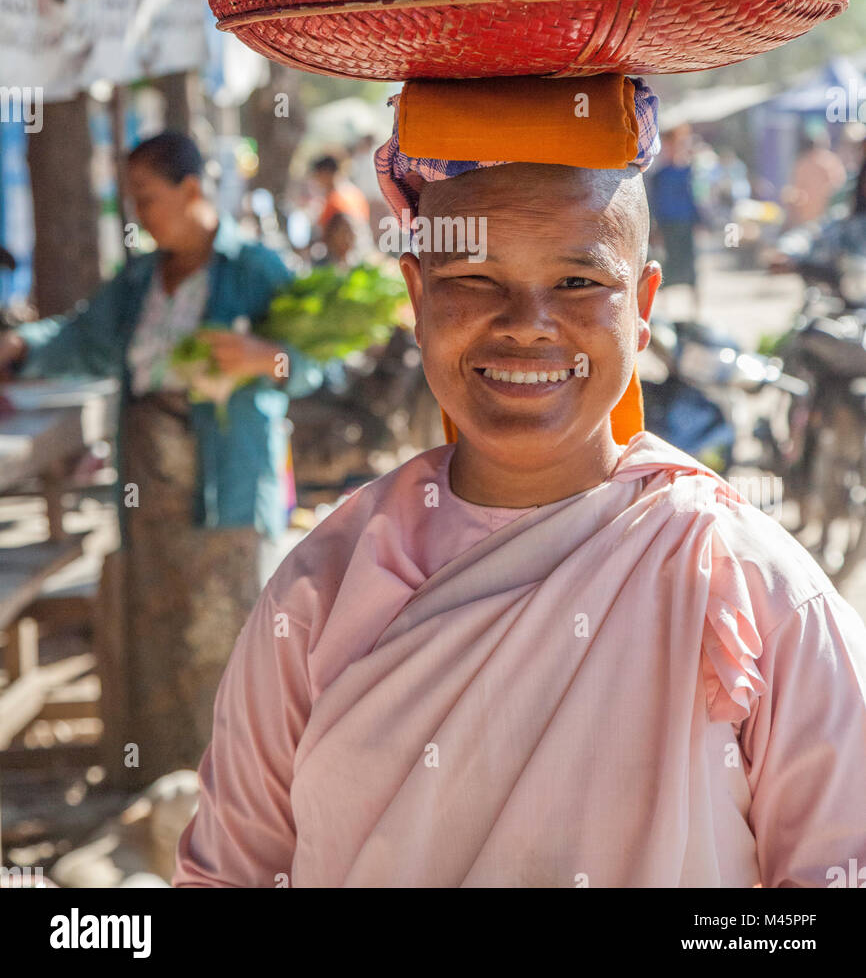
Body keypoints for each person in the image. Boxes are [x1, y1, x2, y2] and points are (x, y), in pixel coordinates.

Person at [173, 77, 866, 889]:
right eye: (473, 279)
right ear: (417, 296)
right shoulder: (318, 595)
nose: (528, 322)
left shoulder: (758, 594)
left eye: (578, 283)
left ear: (642, 306)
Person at [0, 130, 322, 787]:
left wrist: (268, 358)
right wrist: (20, 350)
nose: (139, 215)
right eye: (132, 200)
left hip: (227, 482)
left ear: (193, 190)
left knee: (232, 637)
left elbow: (318, 366)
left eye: (147, 198)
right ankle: (162, 784)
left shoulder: (255, 269)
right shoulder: (141, 278)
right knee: (158, 637)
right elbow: (82, 339)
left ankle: (245, 789)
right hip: (149, 484)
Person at [646, 125, 702, 316]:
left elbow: (694, 198)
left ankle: (695, 311)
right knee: (666, 265)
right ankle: (664, 310)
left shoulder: (689, 172)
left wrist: (698, 221)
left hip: (685, 223)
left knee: (690, 265)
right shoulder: (658, 175)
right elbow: (653, 202)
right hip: (667, 224)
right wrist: (654, 228)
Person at [783, 127, 846, 228]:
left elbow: (837, 185)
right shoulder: (804, 162)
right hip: (806, 213)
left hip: (824, 214)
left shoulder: (830, 162)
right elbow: (796, 188)